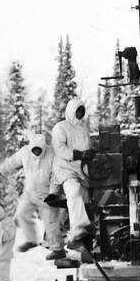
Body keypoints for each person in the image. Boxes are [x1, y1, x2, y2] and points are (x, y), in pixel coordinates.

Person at [0, 132, 64, 258]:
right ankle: (31, 240)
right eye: (35, 150)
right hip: (30, 194)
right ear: (31, 147)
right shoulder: (25, 152)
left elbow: (56, 175)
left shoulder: (52, 154)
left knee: (51, 224)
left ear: (44, 148)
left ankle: (58, 249)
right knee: (21, 214)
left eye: (39, 150)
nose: (37, 152)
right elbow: (11, 162)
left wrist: (53, 193)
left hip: (48, 197)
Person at [51, 97, 94, 245]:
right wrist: (79, 154)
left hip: (82, 170)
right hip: (65, 169)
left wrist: (90, 153)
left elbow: (87, 147)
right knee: (73, 191)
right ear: (71, 111)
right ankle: (78, 228)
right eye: (78, 110)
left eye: (82, 110)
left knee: (86, 198)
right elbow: (59, 149)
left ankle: (86, 233)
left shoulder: (83, 128)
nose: (80, 113)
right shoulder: (60, 127)